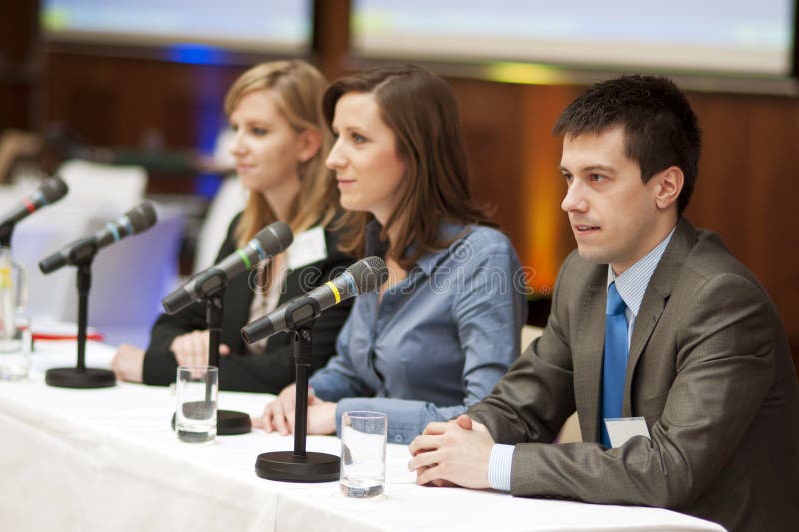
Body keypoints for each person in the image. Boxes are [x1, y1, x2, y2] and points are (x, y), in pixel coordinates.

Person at [408, 75, 799, 531]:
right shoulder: (583, 275)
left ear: (666, 187)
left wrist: (496, 465)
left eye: (597, 178)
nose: (570, 201)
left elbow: (668, 470)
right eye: (569, 178)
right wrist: (463, 440)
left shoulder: (723, 300)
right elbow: (523, 403)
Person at [253, 65, 528, 444]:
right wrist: (305, 393)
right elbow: (350, 369)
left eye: (358, 139)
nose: (333, 158)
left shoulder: (482, 256)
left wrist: (344, 415)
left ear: (415, 151)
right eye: (337, 137)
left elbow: (486, 417)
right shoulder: (375, 249)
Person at [110, 60, 354, 392]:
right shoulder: (246, 228)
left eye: (258, 131)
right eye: (236, 128)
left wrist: (157, 367)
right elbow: (172, 321)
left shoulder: (343, 239)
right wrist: (187, 345)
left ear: (307, 144)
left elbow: (290, 369)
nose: (236, 147)